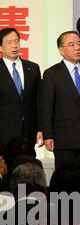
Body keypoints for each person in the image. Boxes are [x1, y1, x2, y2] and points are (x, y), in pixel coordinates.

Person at [38, 31, 80, 171]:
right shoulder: (52, 74)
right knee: (66, 180)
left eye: (79, 44)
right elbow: (46, 107)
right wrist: (48, 135)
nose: (77, 48)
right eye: (71, 45)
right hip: (65, 138)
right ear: (61, 50)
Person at [0, 27, 42, 155]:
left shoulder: (33, 68)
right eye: (9, 42)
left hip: (29, 132)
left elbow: (39, 101)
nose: (14, 46)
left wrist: (41, 129)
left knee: (29, 170)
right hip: (4, 134)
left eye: (16, 41)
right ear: (0, 47)